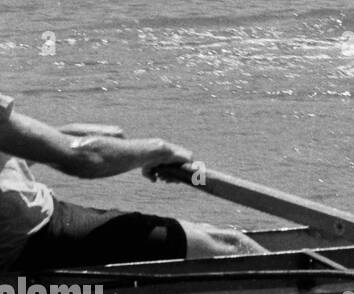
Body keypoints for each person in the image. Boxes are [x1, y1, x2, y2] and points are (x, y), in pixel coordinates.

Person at [0, 91, 266, 272]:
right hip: (29, 240)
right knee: (229, 244)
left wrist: (59, 136)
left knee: (202, 235)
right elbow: (84, 158)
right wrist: (156, 150)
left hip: (19, 231)